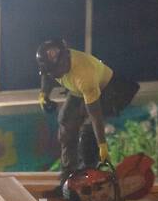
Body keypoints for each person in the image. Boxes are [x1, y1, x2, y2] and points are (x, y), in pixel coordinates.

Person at [35, 38, 140, 185]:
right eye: (50, 71)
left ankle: (89, 177)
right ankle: (68, 179)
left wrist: (102, 146)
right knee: (65, 121)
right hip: (77, 90)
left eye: (56, 71)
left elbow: (96, 116)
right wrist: (43, 95)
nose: (55, 75)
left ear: (66, 59)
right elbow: (46, 77)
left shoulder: (84, 75)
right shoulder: (52, 69)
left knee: (88, 131)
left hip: (108, 91)